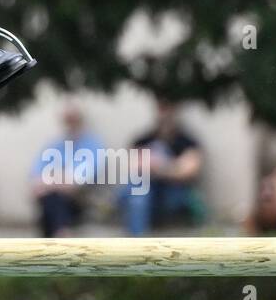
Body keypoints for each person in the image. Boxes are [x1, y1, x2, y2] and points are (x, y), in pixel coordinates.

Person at [120, 99, 205, 235]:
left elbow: (189, 171)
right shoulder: (143, 139)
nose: (164, 113)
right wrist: (172, 167)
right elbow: (132, 166)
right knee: (137, 193)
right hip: (147, 191)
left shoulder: (187, 141)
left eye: (168, 108)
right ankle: (137, 241)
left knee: (139, 194)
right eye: (162, 107)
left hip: (173, 193)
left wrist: (159, 167)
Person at [30, 106, 106, 237]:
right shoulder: (54, 144)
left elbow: (77, 183)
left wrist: (51, 181)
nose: (70, 124)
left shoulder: (93, 145)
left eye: (73, 119)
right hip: (52, 197)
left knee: (52, 200)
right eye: (67, 120)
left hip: (81, 199)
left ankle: (56, 236)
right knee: (53, 199)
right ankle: (62, 232)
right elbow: (36, 178)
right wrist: (58, 181)